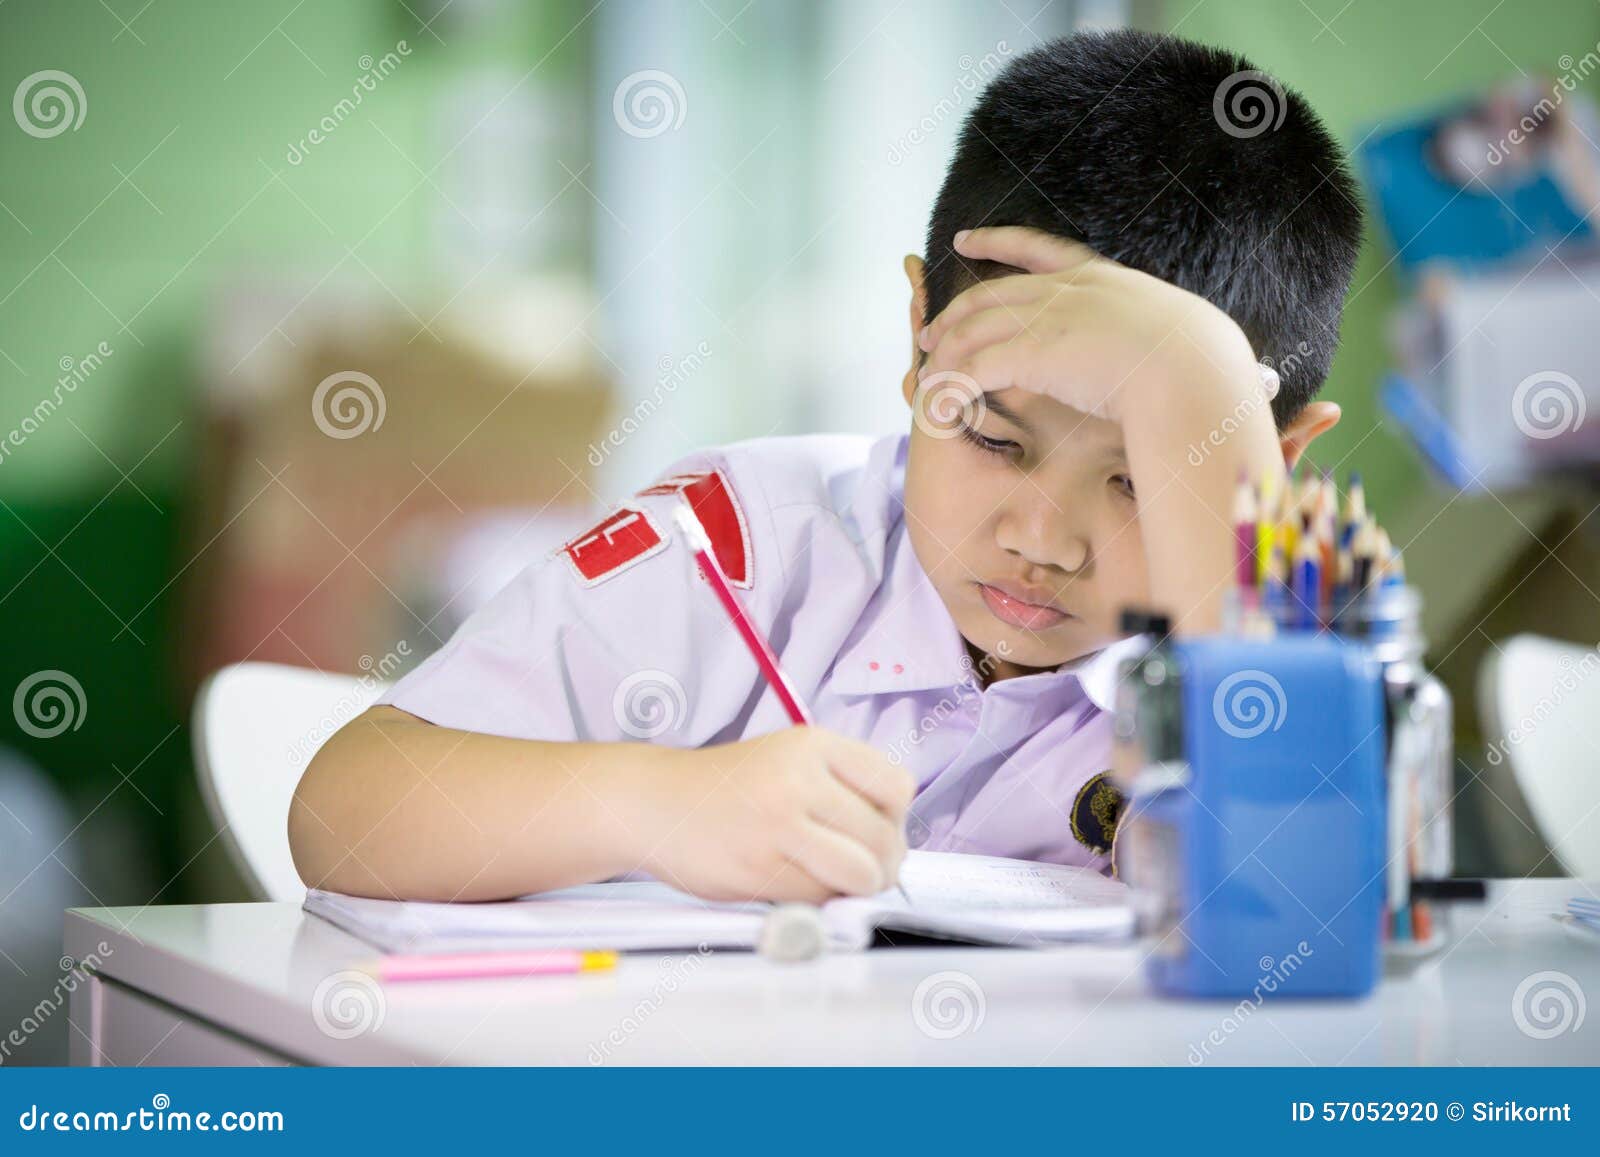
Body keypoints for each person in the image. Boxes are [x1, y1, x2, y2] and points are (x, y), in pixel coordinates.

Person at [289, 29, 1362, 903]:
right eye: (994, 437)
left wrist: (1202, 392)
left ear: (1275, 469)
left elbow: (1304, 924)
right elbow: (345, 810)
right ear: (918, 343)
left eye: (1138, 479)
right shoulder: (743, 542)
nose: (1043, 539)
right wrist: (655, 803)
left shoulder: (1281, 649)